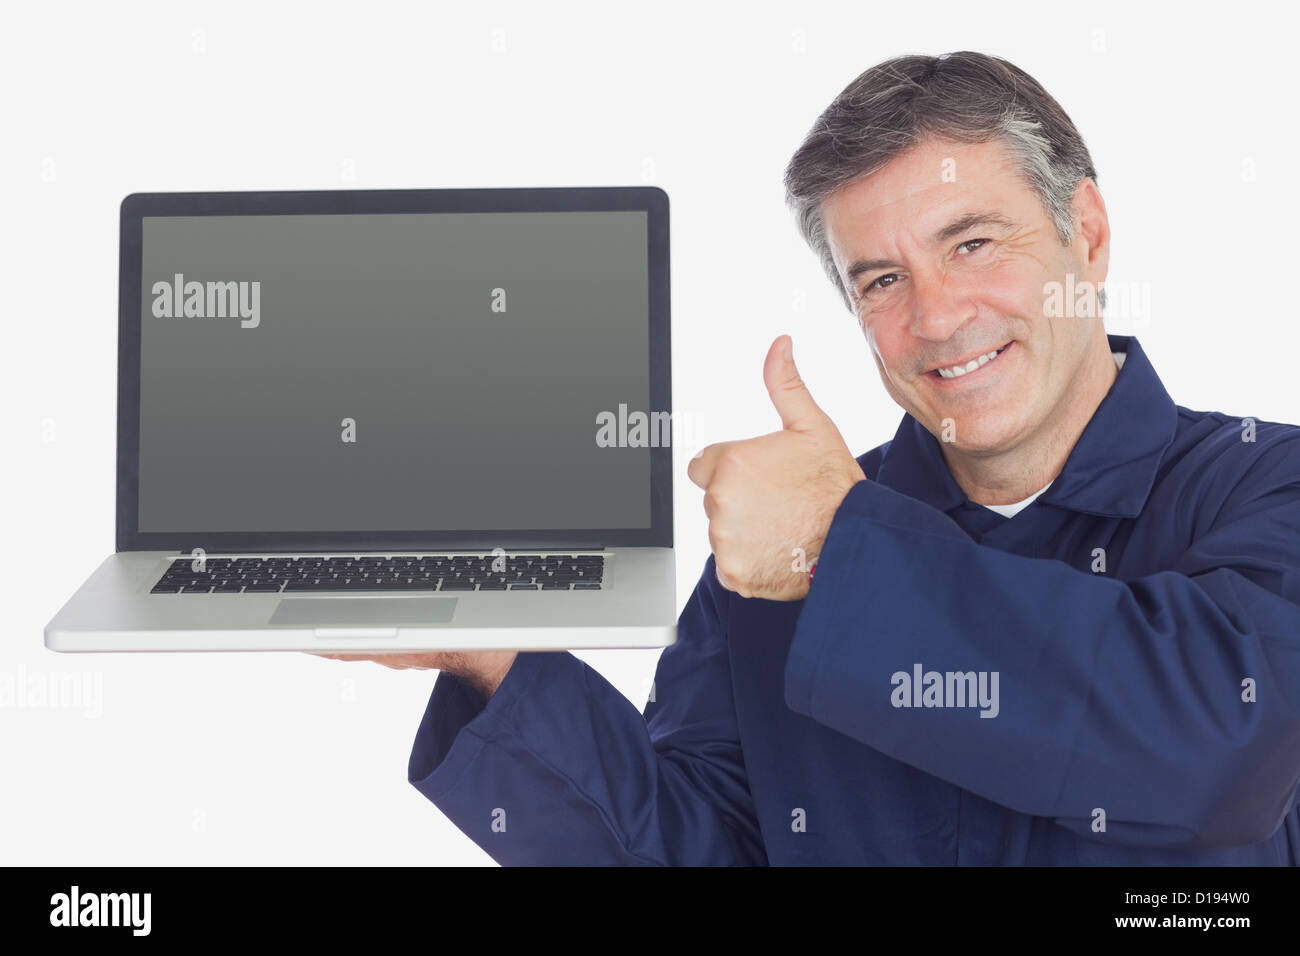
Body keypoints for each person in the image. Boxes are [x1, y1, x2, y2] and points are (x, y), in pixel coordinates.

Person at [321, 51, 1300, 864]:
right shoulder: (769, 564)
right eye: (880, 278)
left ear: (1084, 234)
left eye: (971, 243)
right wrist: (492, 655)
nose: (935, 315)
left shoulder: (1268, 486)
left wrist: (838, 550)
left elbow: (1226, 751)